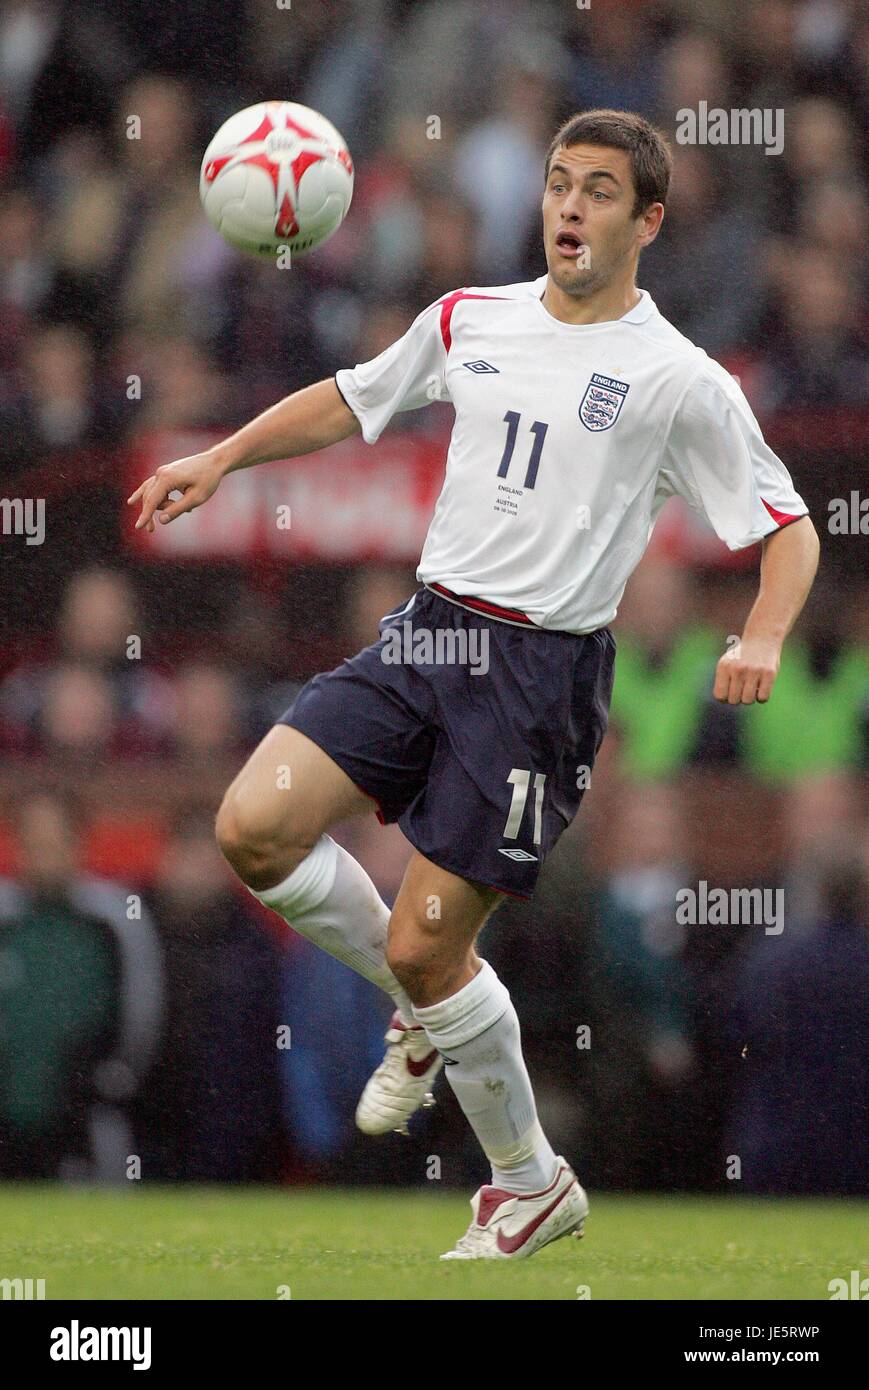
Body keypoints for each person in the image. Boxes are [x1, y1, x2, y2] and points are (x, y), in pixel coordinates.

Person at [128, 109, 820, 1261]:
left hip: (536, 680)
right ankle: (430, 1008)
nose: (567, 207)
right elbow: (351, 398)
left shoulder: (677, 378)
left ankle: (529, 1180)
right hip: (426, 632)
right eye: (557, 183)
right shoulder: (469, 317)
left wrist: (758, 631)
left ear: (646, 220)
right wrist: (219, 454)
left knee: (423, 948)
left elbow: (788, 528)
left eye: (598, 191)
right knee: (251, 828)